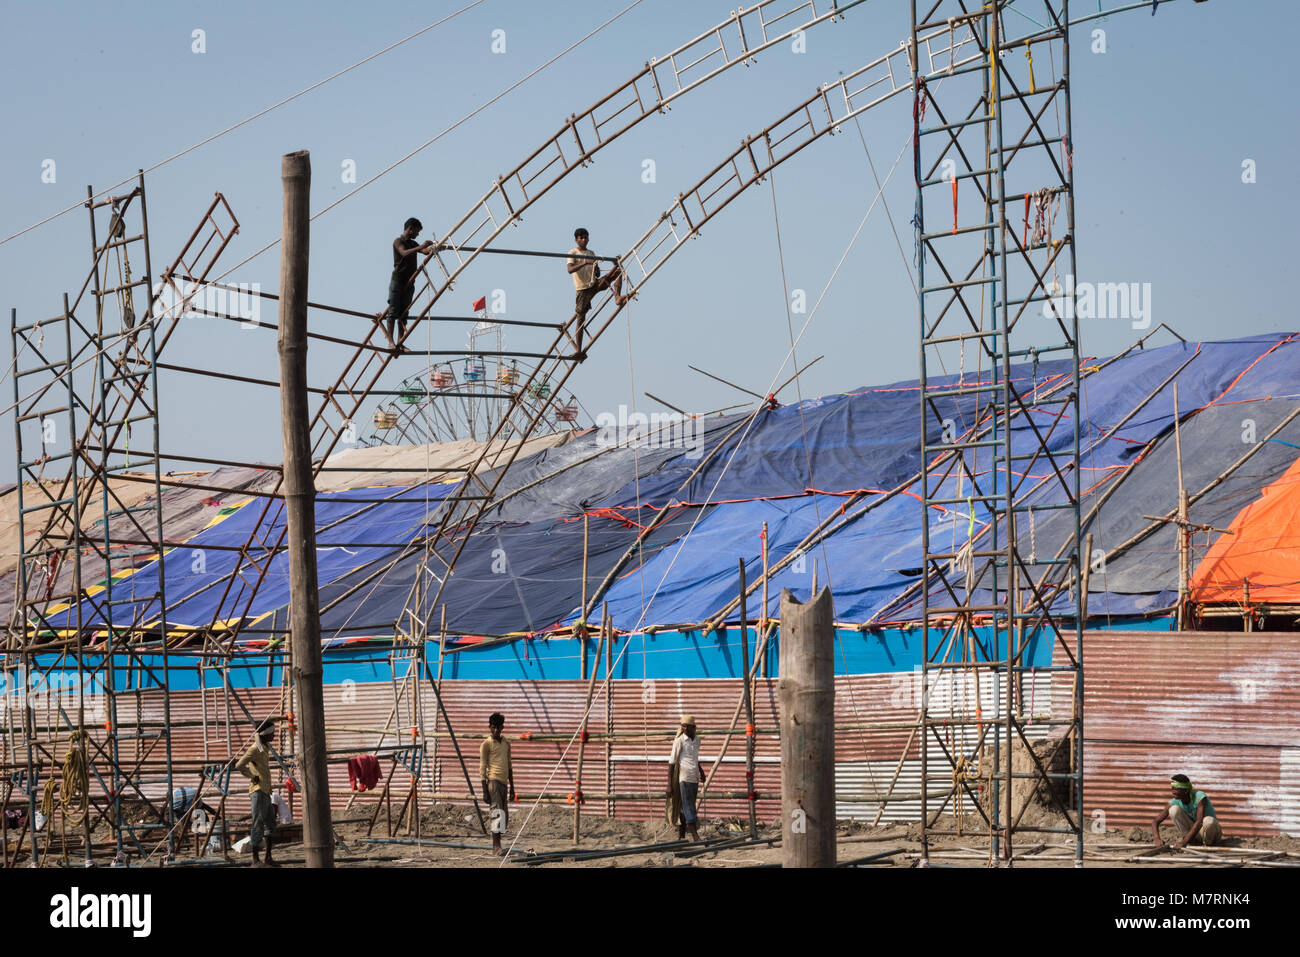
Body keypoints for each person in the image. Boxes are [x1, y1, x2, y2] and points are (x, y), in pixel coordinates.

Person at [566, 227, 627, 355]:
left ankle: (617, 297)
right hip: (582, 289)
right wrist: (584, 263)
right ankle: (579, 350)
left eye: (586, 237)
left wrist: (596, 265)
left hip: (593, 284)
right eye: (581, 238)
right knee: (580, 319)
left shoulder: (591, 253)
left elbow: (597, 273)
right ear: (576, 240)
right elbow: (570, 270)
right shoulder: (572, 253)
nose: (584, 240)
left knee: (618, 271)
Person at [380, 217, 434, 352]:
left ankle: (400, 343)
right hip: (398, 281)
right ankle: (391, 343)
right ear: (410, 229)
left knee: (404, 314)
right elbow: (404, 253)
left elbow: (424, 251)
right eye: (417, 231)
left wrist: (433, 248)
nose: (417, 234)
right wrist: (421, 246)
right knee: (393, 312)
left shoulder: (413, 243)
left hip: (410, 281)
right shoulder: (398, 241)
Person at [234, 717, 280, 867]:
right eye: (271, 733)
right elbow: (239, 765)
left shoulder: (263, 747)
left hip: (265, 792)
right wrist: (252, 776)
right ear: (265, 734)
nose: (274, 735)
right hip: (258, 791)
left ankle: (268, 858)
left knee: (270, 825)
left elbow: (258, 737)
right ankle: (255, 860)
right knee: (257, 825)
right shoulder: (255, 748)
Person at [667, 714, 708, 842]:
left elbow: (695, 758)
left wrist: (701, 772)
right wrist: (669, 784)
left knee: (686, 806)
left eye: (687, 726)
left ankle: (682, 835)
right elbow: (672, 763)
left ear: (693, 728)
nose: (684, 729)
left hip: (694, 777)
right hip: (683, 778)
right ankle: (695, 836)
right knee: (689, 806)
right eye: (683, 726)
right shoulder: (679, 741)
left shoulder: (697, 741)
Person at [1152, 774, 1222, 849]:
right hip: (1195, 835)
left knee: (1209, 821)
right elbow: (1155, 821)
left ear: (1186, 791)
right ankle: (1192, 841)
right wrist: (1157, 839)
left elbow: (1199, 822)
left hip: (1211, 834)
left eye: (1176, 789)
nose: (1173, 792)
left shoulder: (1199, 796)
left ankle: (1208, 845)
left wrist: (1183, 842)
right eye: (1172, 789)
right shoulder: (1174, 802)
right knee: (1173, 809)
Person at [479, 712, 516, 857]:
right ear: (489, 727)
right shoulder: (486, 744)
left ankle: (498, 844)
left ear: (502, 728)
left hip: (504, 783)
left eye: (498, 728)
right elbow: (482, 768)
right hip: (493, 782)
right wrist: (484, 790)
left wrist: (512, 787)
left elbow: (509, 765)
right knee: (496, 813)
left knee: (504, 816)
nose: (495, 730)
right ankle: (496, 847)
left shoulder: (506, 743)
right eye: (493, 727)